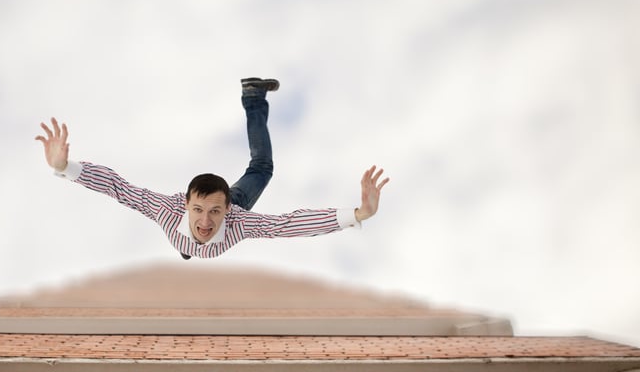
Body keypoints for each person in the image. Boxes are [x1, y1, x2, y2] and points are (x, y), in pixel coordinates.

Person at [36, 77, 389, 260]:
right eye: (199, 211)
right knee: (262, 167)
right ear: (185, 204)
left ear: (228, 211)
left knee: (261, 168)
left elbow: (287, 225)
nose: (206, 222)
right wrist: (66, 167)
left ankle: (253, 96)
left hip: (236, 200)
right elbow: (119, 188)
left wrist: (357, 214)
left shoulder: (237, 221)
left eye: (215, 213)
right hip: (191, 217)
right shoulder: (165, 210)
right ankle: (253, 96)